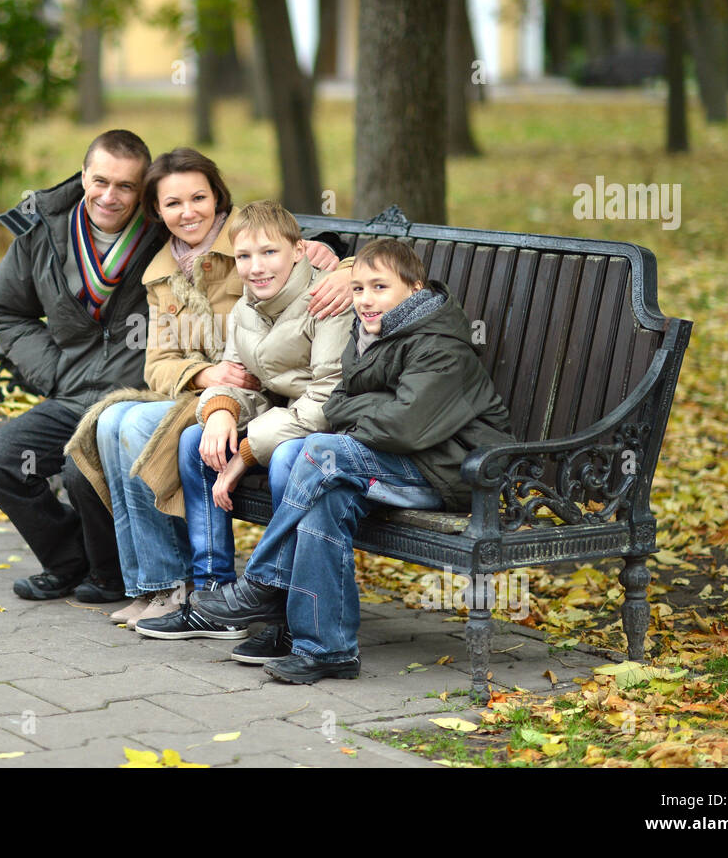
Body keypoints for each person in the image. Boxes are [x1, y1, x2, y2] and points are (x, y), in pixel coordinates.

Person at [187, 238, 515, 682]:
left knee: (321, 450)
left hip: (456, 472)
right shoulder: (369, 338)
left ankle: (264, 580)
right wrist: (380, 404)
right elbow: (338, 405)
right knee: (327, 499)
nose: (365, 299)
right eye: (358, 288)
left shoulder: (440, 345)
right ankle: (328, 651)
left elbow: (404, 427)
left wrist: (372, 408)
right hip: (401, 462)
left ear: (415, 288)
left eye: (379, 287)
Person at [65, 151, 353, 625]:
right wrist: (205, 376)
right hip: (217, 392)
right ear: (157, 211)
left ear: (217, 197)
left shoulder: (245, 241)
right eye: (173, 203)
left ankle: (181, 586)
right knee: (112, 420)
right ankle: (153, 585)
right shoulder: (161, 272)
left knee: (134, 422)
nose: (189, 211)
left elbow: (315, 256)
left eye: (199, 197)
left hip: (267, 400)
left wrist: (344, 266)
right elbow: (157, 364)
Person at [135, 200, 354, 640]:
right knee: (195, 440)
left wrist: (249, 448)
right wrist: (221, 411)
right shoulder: (247, 309)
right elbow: (244, 382)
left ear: (298, 250)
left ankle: (281, 608)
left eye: (269, 253)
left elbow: (329, 400)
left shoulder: (329, 302)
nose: (256, 267)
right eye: (244, 256)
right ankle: (212, 597)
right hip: (287, 419)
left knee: (286, 458)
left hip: (335, 432)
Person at [0, 130, 163, 601]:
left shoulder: (167, 231)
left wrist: (328, 255)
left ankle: (110, 574)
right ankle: (69, 560)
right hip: (72, 394)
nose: (109, 196)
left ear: (143, 191)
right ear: (83, 176)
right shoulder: (42, 230)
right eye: (100, 181)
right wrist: (53, 372)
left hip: (136, 401)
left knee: (83, 467)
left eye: (125, 187)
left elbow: (238, 238)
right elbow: (5, 307)